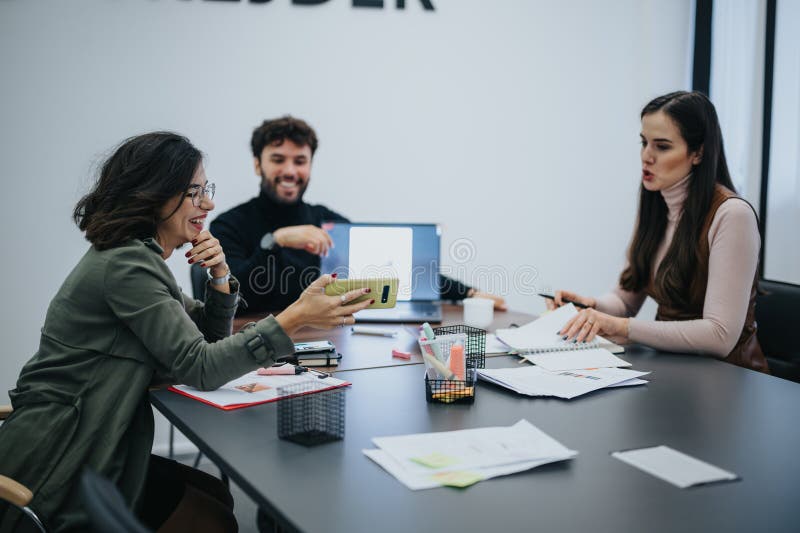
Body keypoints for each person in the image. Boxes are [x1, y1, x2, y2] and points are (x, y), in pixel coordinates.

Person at [0, 132, 373, 532]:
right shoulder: (127, 266)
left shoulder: (136, 258)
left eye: (205, 190)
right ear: (154, 197)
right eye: (195, 192)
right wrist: (296, 317)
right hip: (63, 458)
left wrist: (220, 277)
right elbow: (202, 366)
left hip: (96, 438)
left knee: (215, 494)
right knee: (213, 518)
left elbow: (207, 340)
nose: (208, 204)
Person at [547, 91, 768, 373]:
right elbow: (627, 299)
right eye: (643, 143)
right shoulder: (655, 202)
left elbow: (720, 335)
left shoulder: (732, 214)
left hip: (729, 379)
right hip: (673, 370)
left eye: (662, 147)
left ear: (698, 152)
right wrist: (592, 307)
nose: (646, 157)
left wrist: (623, 328)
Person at [210, 115, 507, 314]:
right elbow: (234, 300)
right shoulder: (228, 225)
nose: (290, 171)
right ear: (257, 165)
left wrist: (467, 293)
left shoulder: (330, 223)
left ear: (310, 165)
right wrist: (275, 240)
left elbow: (396, 274)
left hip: (328, 344)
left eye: (300, 160)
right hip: (257, 348)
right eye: (278, 159)